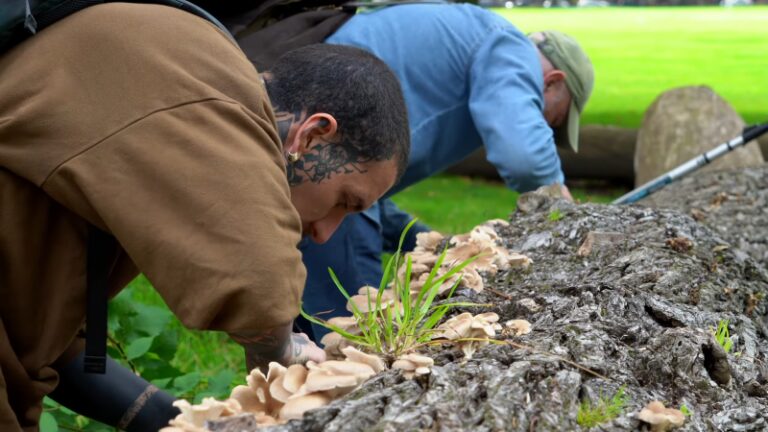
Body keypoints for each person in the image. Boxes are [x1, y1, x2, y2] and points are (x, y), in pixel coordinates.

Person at [0, 3, 409, 431]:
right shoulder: (199, 83)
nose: (326, 233)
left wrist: (182, 421)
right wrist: (284, 354)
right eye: (345, 201)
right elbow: (257, 285)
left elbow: (50, 342)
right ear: (312, 134)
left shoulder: (180, 114)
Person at [297, 3, 595, 339]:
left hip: (313, 172)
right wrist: (563, 208)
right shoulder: (509, 47)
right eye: (551, 121)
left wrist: (430, 243)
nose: (542, 126)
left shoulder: (476, 44)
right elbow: (522, 155)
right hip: (330, 176)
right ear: (552, 82)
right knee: (354, 334)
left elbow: (372, 196)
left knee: (304, 337)